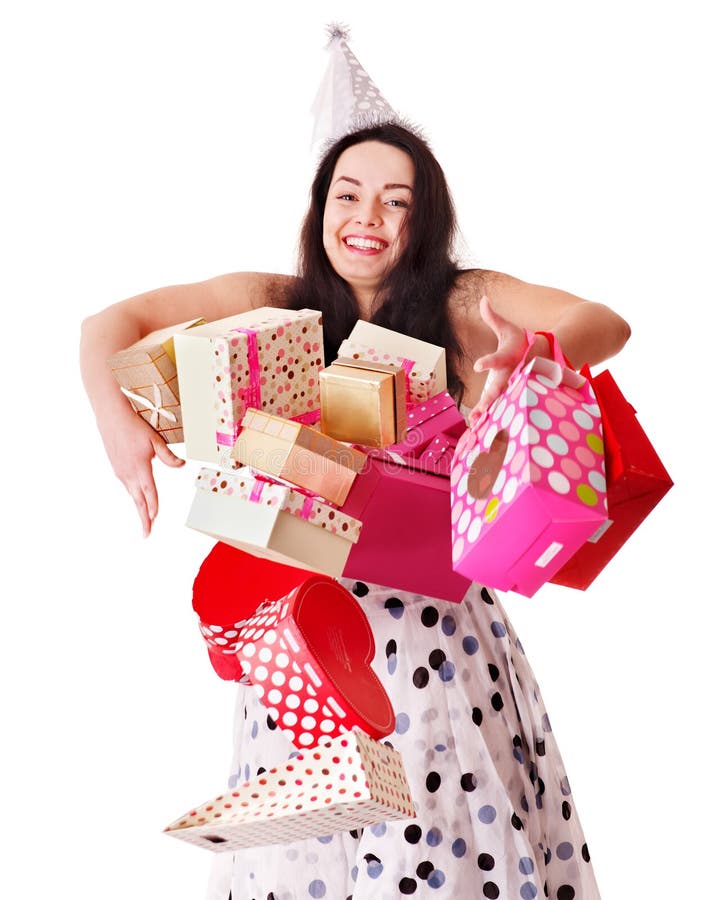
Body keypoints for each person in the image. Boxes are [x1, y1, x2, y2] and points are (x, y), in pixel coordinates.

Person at [81, 122, 630, 899]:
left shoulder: (460, 299)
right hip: (303, 631)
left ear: (424, 219)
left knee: (437, 841)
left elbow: (601, 320)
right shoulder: (275, 302)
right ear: (320, 208)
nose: (366, 216)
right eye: (348, 194)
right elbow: (107, 325)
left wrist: (536, 353)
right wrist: (118, 425)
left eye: (394, 201)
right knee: (308, 846)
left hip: (428, 633)